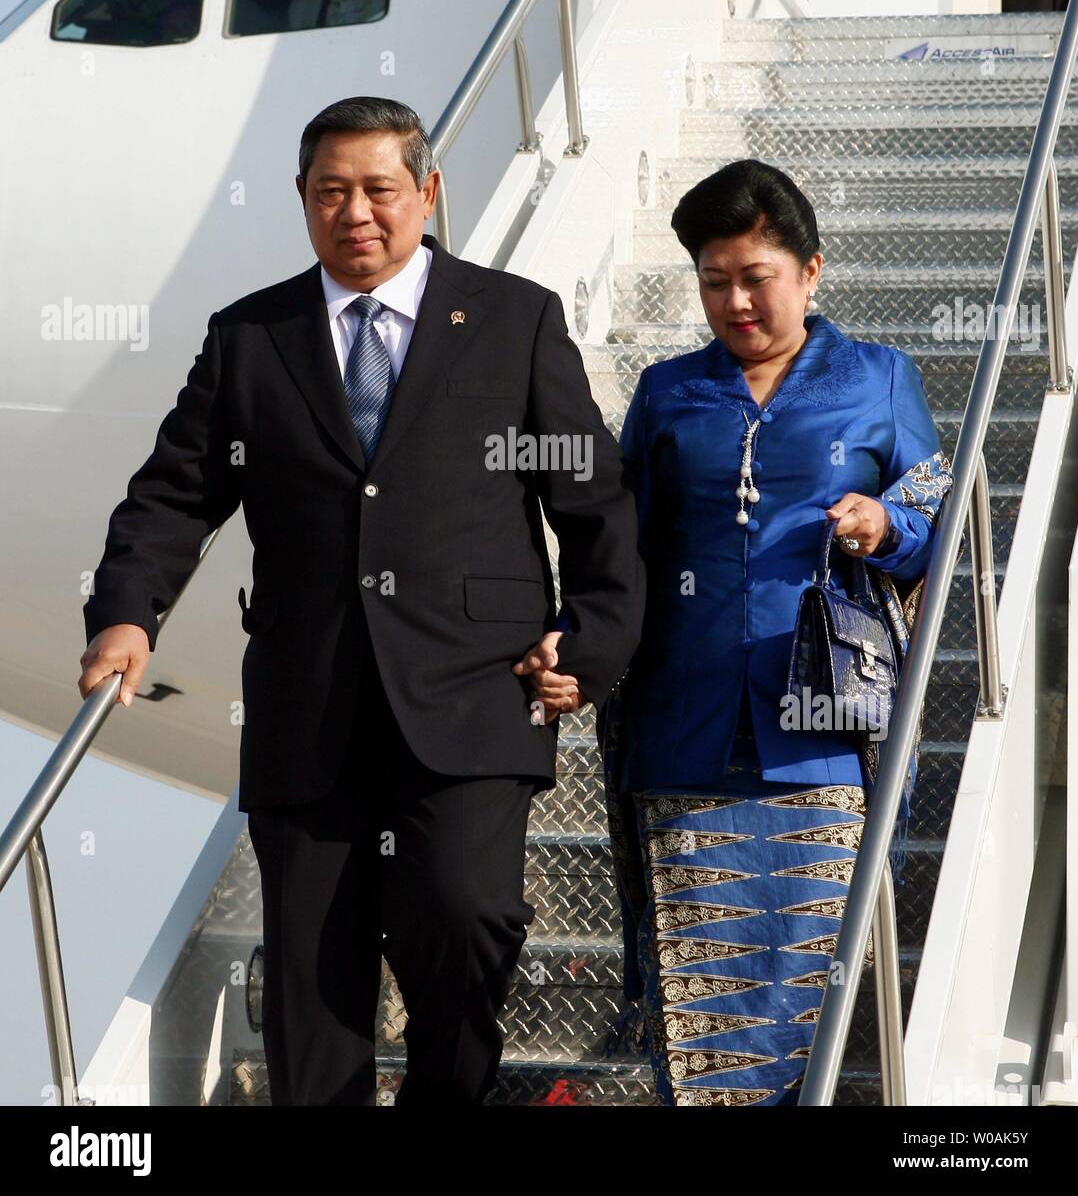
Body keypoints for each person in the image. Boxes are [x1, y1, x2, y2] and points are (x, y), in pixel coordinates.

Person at [77, 95, 644, 1106]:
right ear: (301, 199)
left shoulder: (513, 320)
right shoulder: (254, 336)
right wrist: (127, 613)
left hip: (476, 692)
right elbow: (173, 493)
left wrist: (589, 643)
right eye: (331, 192)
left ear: (426, 192)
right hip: (310, 706)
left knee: (466, 917)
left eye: (379, 189)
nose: (356, 213)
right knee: (310, 985)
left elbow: (595, 502)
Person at [565, 159, 954, 1106]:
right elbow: (618, 547)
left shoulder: (879, 377)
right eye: (713, 279)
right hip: (682, 724)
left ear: (811, 271)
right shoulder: (667, 391)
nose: (735, 301)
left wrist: (884, 525)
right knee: (699, 994)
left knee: (800, 981)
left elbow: (937, 518)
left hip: (822, 733)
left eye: (756, 277)